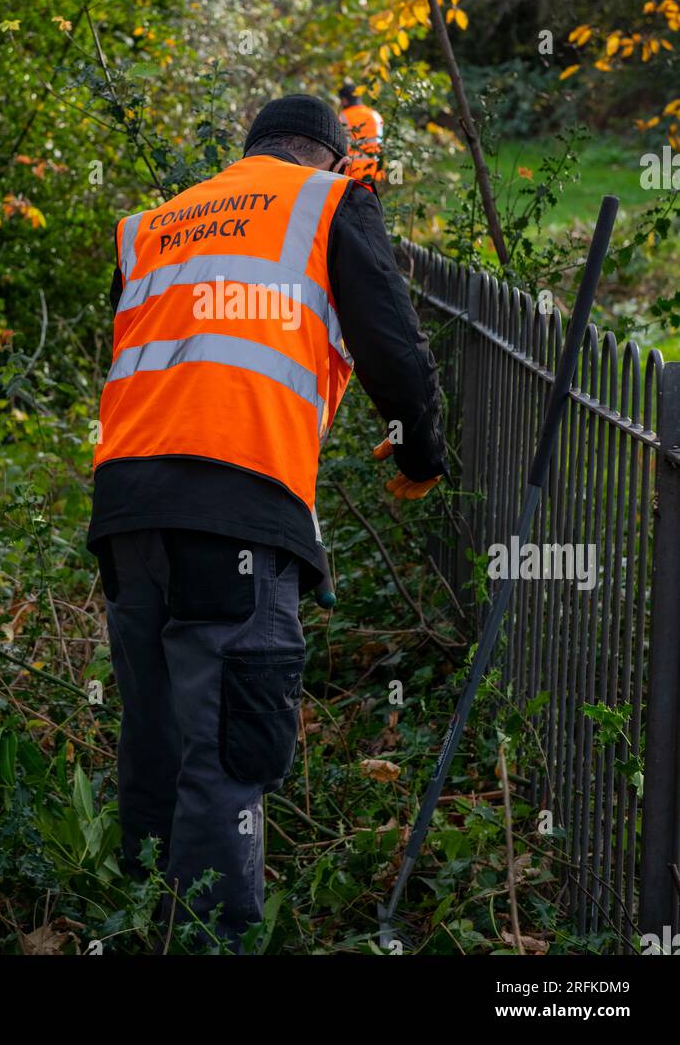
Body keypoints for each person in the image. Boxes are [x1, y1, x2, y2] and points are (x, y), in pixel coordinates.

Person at [87, 93, 447, 952]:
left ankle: (142, 920)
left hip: (129, 508)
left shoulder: (155, 222)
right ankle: (211, 940)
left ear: (250, 150)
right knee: (227, 747)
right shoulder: (329, 203)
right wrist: (420, 454)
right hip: (240, 506)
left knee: (156, 735)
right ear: (329, 156)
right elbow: (395, 349)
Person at [339, 80, 384, 190]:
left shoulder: (343, 116)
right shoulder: (375, 115)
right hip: (374, 173)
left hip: (352, 174)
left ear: (344, 100)